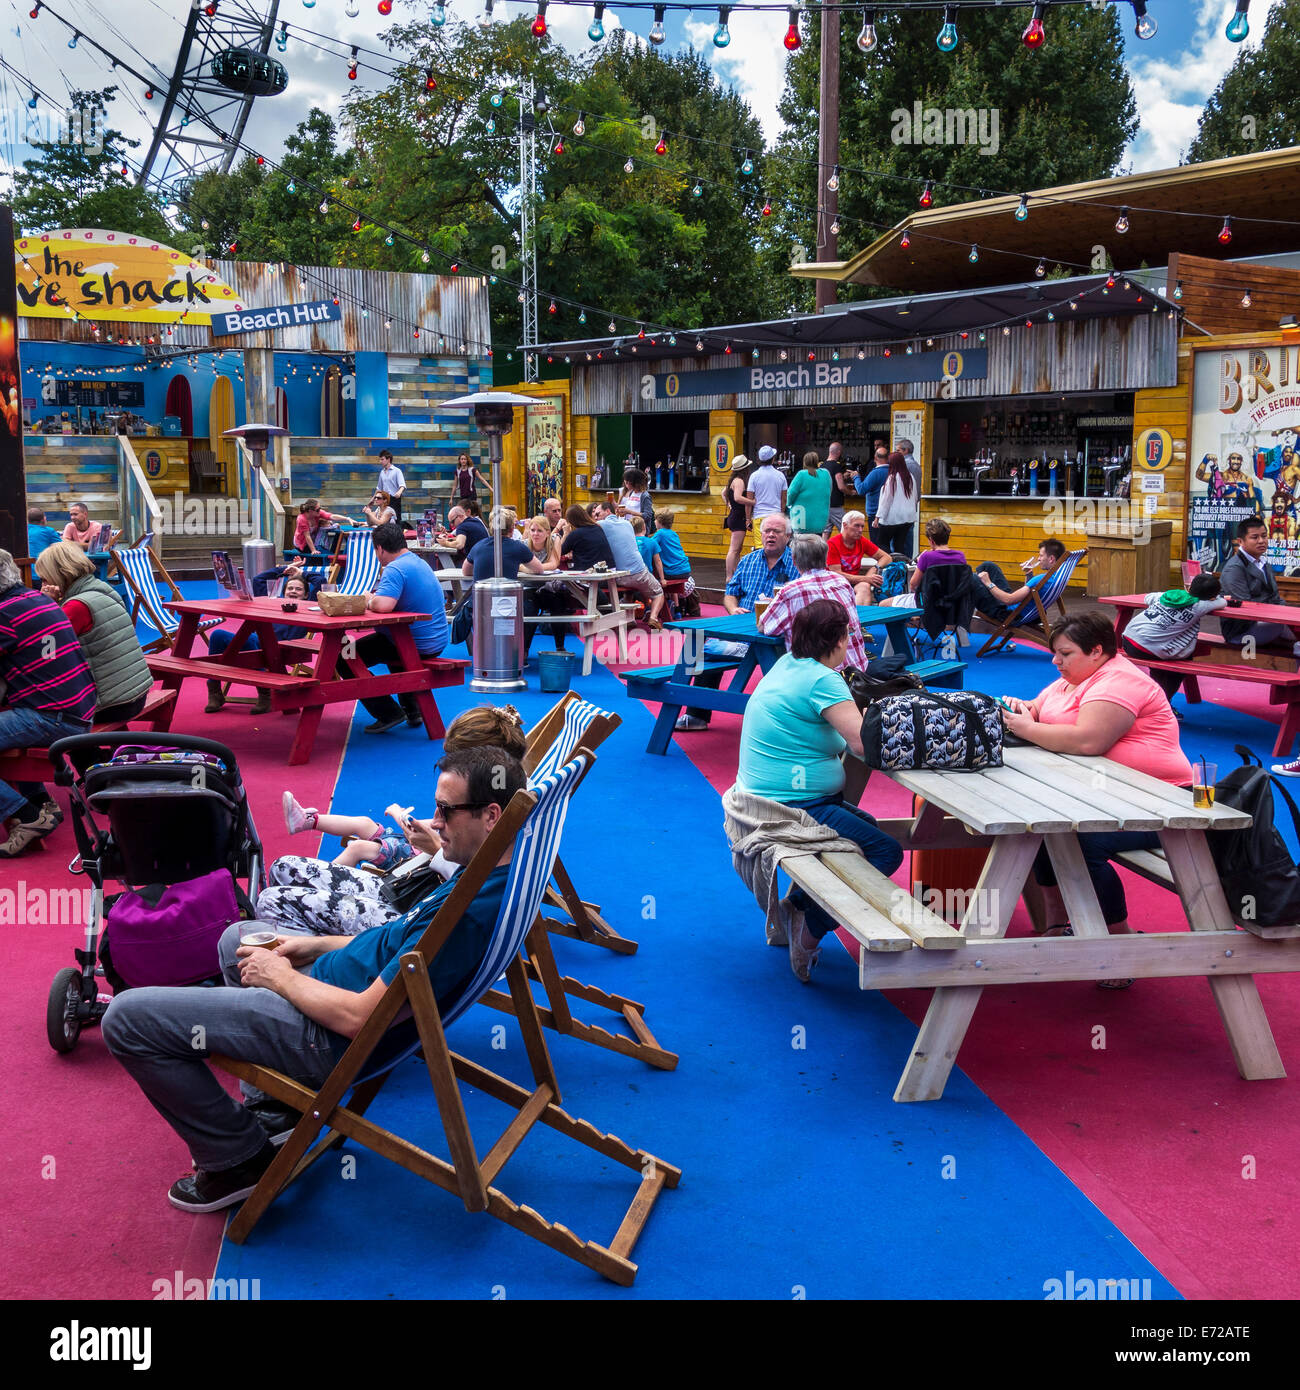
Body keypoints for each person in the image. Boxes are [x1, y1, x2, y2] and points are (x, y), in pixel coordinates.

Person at [101, 745, 526, 1212]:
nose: (435, 822)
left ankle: (236, 1158)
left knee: (125, 1018)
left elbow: (361, 1019)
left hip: (329, 1032)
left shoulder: (466, 912)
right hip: (333, 988)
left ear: (490, 815)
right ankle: (277, 1106)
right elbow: (397, 947)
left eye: (445, 810)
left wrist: (280, 977)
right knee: (237, 938)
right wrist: (314, 945)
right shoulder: (489, 874)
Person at [1002, 612, 1191, 982]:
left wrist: (1029, 728)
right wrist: (1026, 711)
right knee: (1036, 824)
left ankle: (1118, 945)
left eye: (1064, 653)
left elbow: (1089, 740)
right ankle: (1056, 926)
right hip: (1108, 797)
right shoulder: (1075, 677)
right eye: (1055, 653)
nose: (1055, 661)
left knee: (1080, 839)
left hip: (1161, 804)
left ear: (1098, 651)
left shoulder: (1119, 681)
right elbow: (1041, 708)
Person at [736, 600, 904, 982]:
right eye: (850, 633)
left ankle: (796, 904)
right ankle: (810, 930)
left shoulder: (788, 664)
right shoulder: (823, 679)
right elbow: (864, 746)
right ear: (841, 638)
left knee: (866, 825)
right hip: (792, 803)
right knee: (885, 850)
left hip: (764, 794)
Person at [258, 706, 528, 936]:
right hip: (409, 889)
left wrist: (434, 847)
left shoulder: (494, 814)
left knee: (271, 900)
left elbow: (470, 886)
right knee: (283, 868)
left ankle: (295, 970)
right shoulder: (509, 800)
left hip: (415, 915)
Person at [0, 549, 96, 857]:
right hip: (79, 709)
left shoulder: (4, 615)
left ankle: (26, 815)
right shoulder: (35, 599)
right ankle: (41, 803)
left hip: (53, 717)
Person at [676, 515, 797, 732]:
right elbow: (730, 594)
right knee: (696, 651)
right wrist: (733, 609)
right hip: (743, 632)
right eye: (767, 531)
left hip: (780, 637)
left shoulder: (797, 564)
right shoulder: (748, 560)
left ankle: (784, 721)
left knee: (704, 649)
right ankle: (696, 714)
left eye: (776, 532)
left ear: (787, 536)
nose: (770, 535)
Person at [345, 522, 449, 735]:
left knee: (345, 657)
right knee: (393, 647)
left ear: (380, 548)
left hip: (415, 642)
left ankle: (388, 712)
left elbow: (383, 605)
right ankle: (414, 710)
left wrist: (368, 599)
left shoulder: (395, 568)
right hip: (434, 638)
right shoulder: (418, 562)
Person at [33, 542, 153, 725]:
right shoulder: (101, 589)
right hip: (134, 692)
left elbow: (46, 655)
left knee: (35, 709)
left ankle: (85, 753)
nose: (42, 585)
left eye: (44, 579)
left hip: (111, 704)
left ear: (60, 575)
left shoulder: (76, 606)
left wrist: (47, 606)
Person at [758, 533, 870, 671]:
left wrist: (776, 605)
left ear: (794, 560)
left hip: (818, 677)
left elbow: (764, 627)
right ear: (825, 558)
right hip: (858, 670)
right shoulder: (842, 582)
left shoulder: (791, 591)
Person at [204, 575, 312, 715]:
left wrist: (301, 572)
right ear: (283, 592)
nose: (293, 591)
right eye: (290, 588)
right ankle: (215, 690)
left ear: (306, 595)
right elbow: (258, 580)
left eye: (298, 589)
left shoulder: (307, 609)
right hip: (257, 641)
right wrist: (283, 570)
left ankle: (265, 693)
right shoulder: (273, 604)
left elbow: (319, 581)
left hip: (281, 648)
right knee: (217, 635)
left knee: (247, 640)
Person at [1119, 575, 1231, 703]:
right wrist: (1214, 599)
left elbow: (1147, 597)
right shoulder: (1200, 606)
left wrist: (1168, 597)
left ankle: (1156, 699)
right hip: (1148, 649)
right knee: (1180, 666)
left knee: (1165, 660)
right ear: (1211, 597)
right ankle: (1161, 704)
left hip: (1128, 639)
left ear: (1189, 588)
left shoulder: (1168, 596)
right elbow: (1223, 603)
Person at [1219, 516, 1298, 651]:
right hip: (1241, 632)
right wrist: (1280, 618)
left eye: (1264, 536)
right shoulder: (1234, 569)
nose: (1261, 541)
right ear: (1240, 541)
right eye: (1254, 537)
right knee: (1284, 630)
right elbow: (1243, 607)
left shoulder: (1263, 563)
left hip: (1268, 621)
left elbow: (1275, 598)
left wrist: (1292, 614)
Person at [591, 500, 665, 628]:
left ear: (608, 511)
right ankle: (653, 617)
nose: (596, 517)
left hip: (619, 576)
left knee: (628, 590)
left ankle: (629, 620)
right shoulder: (627, 524)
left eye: (598, 514)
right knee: (658, 593)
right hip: (638, 572)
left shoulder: (599, 525)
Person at [972, 536, 1066, 628]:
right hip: (1026, 612)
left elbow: (1008, 600)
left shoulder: (1040, 579)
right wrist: (1029, 573)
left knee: (972, 578)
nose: (1038, 559)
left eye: (1041, 555)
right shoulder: (1059, 578)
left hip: (1008, 614)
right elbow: (1028, 597)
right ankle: (981, 592)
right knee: (989, 566)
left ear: (1051, 559)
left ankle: (972, 599)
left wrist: (988, 583)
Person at [524, 515, 577, 654]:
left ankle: (560, 647)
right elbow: (519, 566)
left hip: (549, 587)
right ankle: (523, 651)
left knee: (558, 602)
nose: (535, 534)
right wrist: (540, 568)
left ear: (548, 532)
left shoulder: (555, 540)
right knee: (529, 609)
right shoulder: (523, 544)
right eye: (533, 530)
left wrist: (533, 568)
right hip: (528, 587)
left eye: (539, 531)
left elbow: (554, 564)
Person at [826, 510, 888, 603]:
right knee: (865, 583)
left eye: (862, 526)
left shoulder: (861, 540)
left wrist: (874, 568)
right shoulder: (832, 544)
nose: (860, 530)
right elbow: (837, 574)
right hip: (835, 584)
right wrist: (866, 578)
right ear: (845, 525)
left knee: (864, 586)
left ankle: (862, 617)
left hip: (854, 582)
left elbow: (886, 557)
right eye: (856, 525)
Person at [874, 451, 918, 557]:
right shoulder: (910, 477)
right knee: (899, 545)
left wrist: (878, 517)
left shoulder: (892, 478)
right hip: (907, 518)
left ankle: (887, 566)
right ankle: (900, 568)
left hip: (892, 518)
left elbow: (886, 501)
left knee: (882, 543)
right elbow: (915, 497)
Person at [722, 454, 755, 581]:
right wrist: (752, 502)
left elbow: (723, 493)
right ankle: (729, 576)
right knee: (734, 549)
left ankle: (734, 573)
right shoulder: (740, 481)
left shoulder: (733, 480)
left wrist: (729, 504)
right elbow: (737, 497)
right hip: (738, 517)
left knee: (737, 548)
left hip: (734, 515)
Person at [787, 450, 832, 537]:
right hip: (820, 520)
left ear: (805, 462)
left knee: (800, 547)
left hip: (801, 519)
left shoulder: (802, 474)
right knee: (815, 546)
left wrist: (788, 504)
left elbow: (790, 494)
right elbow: (829, 491)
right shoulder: (826, 474)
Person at [558, 504, 615, 571]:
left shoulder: (576, 534)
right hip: (608, 568)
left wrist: (565, 533)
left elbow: (559, 552)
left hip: (589, 572)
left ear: (571, 521)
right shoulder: (597, 528)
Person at [746, 445, 787, 538]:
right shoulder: (780, 475)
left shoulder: (754, 476)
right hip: (776, 516)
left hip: (759, 517)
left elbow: (749, 500)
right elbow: (784, 499)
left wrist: (748, 519)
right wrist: (781, 515)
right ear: (773, 459)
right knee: (776, 547)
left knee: (760, 549)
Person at [854, 445, 891, 547]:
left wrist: (856, 477)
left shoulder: (875, 473)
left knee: (876, 545)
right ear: (888, 458)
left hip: (875, 513)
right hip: (889, 512)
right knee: (886, 545)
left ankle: (880, 563)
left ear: (875, 458)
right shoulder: (892, 472)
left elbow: (861, 490)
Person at [825, 441, 854, 537]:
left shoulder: (822, 466)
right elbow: (841, 486)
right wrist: (851, 492)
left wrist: (842, 476)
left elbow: (830, 480)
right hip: (835, 505)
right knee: (847, 530)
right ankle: (848, 552)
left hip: (825, 505)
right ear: (838, 452)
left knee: (826, 532)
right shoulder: (836, 466)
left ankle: (823, 552)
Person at [376, 450, 406, 526]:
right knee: (383, 520)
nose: (380, 461)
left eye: (382, 459)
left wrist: (399, 492)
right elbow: (379, 488)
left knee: (396, 520)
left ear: (388, 459)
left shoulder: (397, 471)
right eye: (380, 459)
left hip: (394, 498)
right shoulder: (382, 472)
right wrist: (372, 500)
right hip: (384, 499)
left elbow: (402, 485)